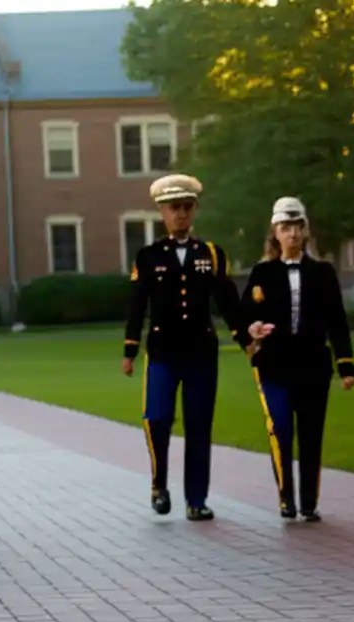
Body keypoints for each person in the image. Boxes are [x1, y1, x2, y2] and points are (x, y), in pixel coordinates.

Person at [122, 174, 250, 521]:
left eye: (186, 207)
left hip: (200, 352)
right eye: (173, 208)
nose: (180, 214)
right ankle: (159, 484)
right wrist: (130, 349)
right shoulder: (148, 256)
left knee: (198, 425)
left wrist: (245, 339)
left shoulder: (210, 253)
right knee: (157, 420)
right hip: (163, 351)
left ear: (194, 210)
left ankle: (197, 499)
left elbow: (227, 300)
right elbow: (137, 304)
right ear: (162, 212)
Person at [240, 197, 354, 522]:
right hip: (274, 366)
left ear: (305, 232)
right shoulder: (262, 273)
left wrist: (345, 363)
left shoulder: (322, 272)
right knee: (279, 429)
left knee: (310, 435)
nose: (291, 233)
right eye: (284, 227)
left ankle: (308, 502)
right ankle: (285, 499)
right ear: (275, 233)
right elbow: (244, 313)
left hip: (313, 367)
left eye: (297, 227)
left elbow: (337, 320)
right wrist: (252, 329)